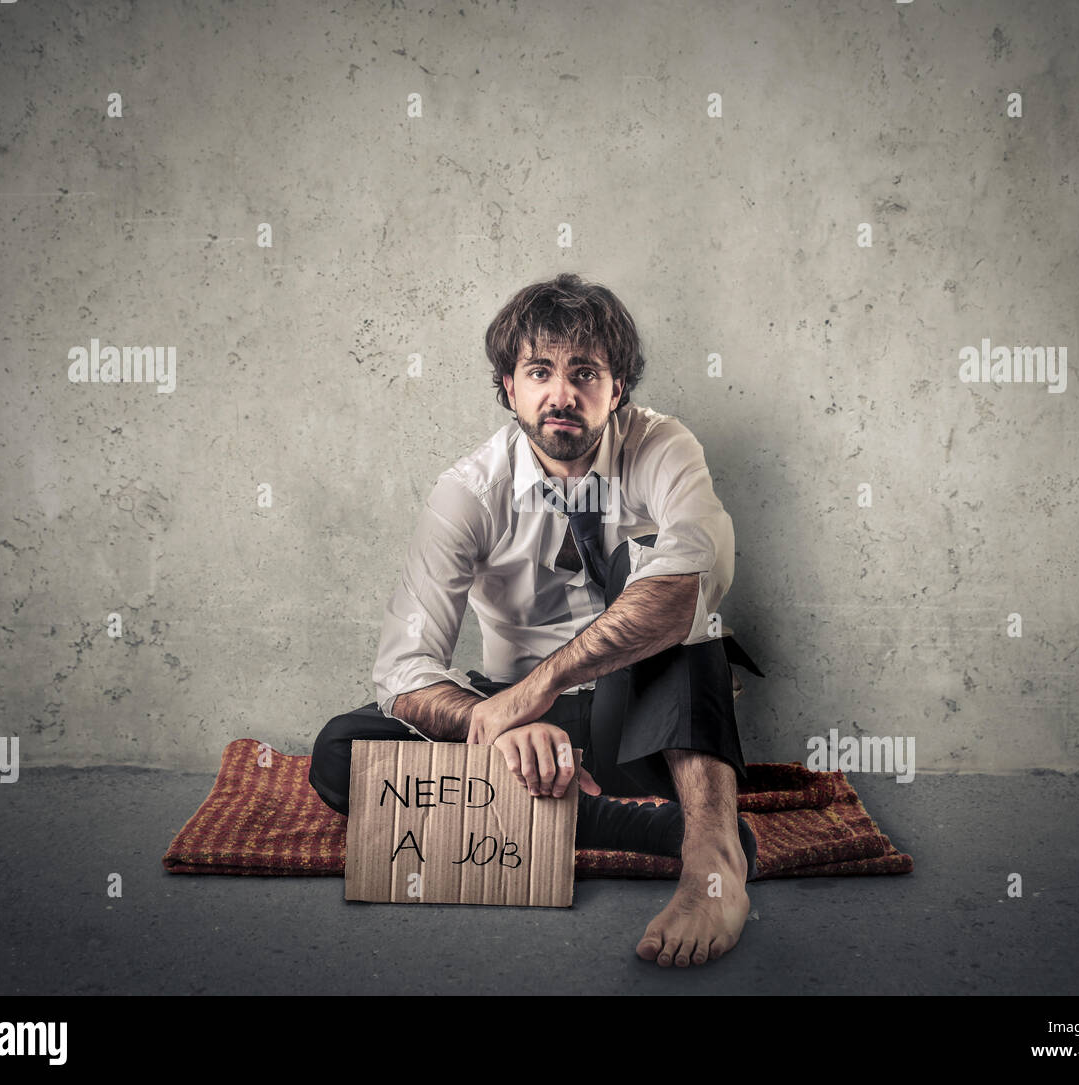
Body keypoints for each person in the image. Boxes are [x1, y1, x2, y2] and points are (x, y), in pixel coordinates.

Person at [310, 272, 763, 967]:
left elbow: (691, 579)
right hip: (515, 732)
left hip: (637, 725)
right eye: (540, 371)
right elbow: (402, 671)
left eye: (586, 372)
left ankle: (715, 867)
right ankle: (647, 829)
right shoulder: (468, 491)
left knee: (688, 622)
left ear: (617, 389)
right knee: (344, 748)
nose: (562, 393)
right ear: (508, 386)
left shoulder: (663, 447)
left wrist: (542, 685)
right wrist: (502, 721)